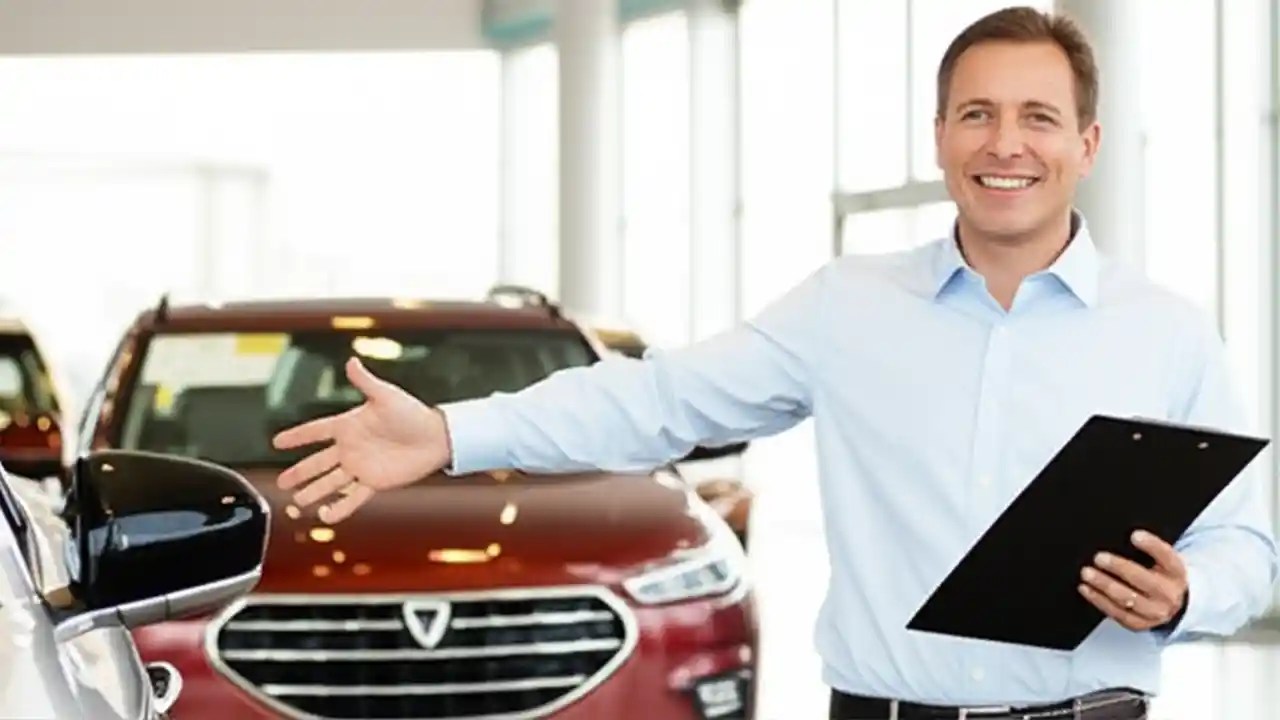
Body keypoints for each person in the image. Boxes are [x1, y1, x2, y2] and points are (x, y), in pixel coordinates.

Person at [273, 6, 1278, 720]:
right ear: (937, 136)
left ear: (1086, 143)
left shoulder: (1167, 333)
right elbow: (656, 400)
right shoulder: (847, 306)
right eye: (975, 113)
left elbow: (1249, 545)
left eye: (1036, 117)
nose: (1002, 143)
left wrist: (1189, 592)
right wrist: (453, 432)